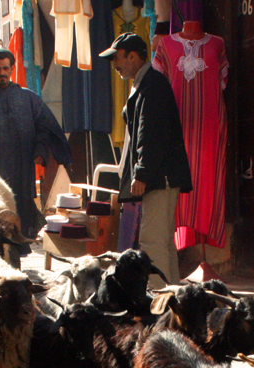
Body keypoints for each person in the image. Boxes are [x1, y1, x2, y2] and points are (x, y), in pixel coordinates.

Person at [102, 32, 192, 288]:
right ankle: (171, 297)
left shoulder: (152, 85)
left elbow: (150, 134)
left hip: (159, 177)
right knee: (162, 242)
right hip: (160, 176)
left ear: (133, 56)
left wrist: (141, 174)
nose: (114, 65)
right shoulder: (147, 84)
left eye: (117, 58)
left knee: (153, 242)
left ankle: (157, 300)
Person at [0, 48, 71, 243]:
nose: (1, 72)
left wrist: (40, 151)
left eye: (5, 68)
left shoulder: (29, 99)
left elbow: (45, 128)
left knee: (23, 214)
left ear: (12, 69)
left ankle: (20, 253)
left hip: (22, 167)